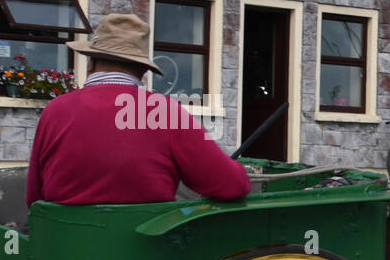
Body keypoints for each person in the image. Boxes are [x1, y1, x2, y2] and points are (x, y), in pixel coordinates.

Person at [26, 13, 250, 206]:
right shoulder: (165, 112)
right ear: (143, 70)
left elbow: (34, 198)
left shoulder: (55, 110)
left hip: (63, 248)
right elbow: (231, 185)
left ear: (91, 63)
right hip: (145, 251)